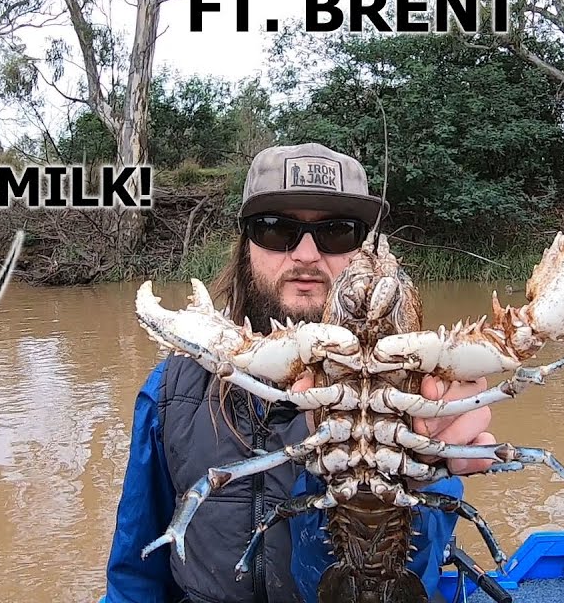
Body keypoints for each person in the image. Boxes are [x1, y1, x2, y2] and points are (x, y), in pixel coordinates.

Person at [99, 143, 496, 603]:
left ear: (365, 254)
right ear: (245, 245)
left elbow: (415, 571)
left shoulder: (424, 395)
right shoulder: (170, 392)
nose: (306, 255)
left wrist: (423, 465)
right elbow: (134, 577)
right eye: (275, 229)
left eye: (339, 232)